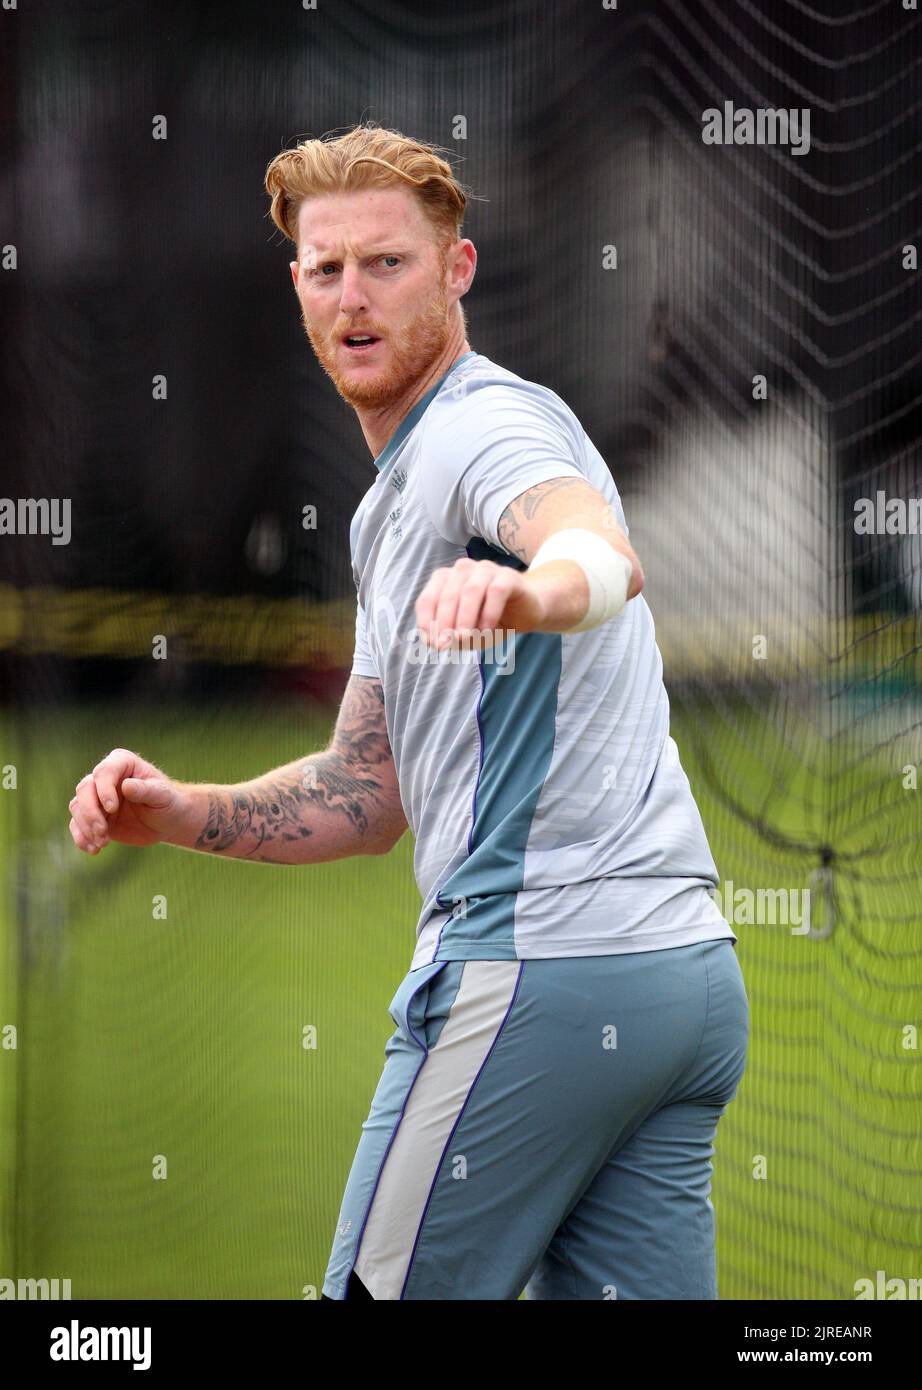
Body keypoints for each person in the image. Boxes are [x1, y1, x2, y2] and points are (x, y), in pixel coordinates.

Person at [68, 123, 749, 1301]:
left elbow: (598, 551)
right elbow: (369, 790)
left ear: (457, 269)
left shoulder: (480, 432)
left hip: (536, 973)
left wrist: (530, 587)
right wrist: (179, 811)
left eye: (386, 262)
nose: (353, 296)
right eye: (325, 270)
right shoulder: (397, 504)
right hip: (674, 983)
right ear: (296, 289)